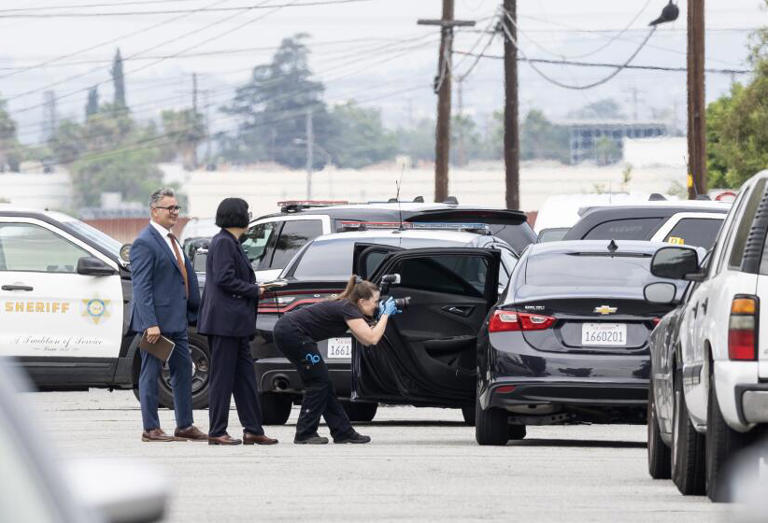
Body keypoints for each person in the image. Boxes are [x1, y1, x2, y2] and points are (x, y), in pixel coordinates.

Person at [273, 276, 401, 444]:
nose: (377, 305)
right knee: (318, 382)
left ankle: (342, 432)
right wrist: (385, 316)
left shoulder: (350, 308)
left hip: (287, 331)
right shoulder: (349, 308)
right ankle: (304, 433)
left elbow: (364, 338)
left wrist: (380, 317)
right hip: (293, 334)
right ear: (362, 301)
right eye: (376, 301)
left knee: (324, 383)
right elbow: (372, 339)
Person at [197, 198, 278, 446]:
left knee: (245, 378)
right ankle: (217, 431)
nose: (249, 215)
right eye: (246, 211)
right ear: (236, 215)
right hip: (224, 323)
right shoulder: (223, 242)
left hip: (238, 324)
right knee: (223, 379)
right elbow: (224, 279)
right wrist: (255, 290)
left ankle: (253, 429)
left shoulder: (232, 242)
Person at [130, 187, 207, 442]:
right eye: (170, 208)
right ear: (155, 211)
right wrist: (151, 323)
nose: (175, 212)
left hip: (177, 321)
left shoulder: (171, 239)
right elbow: (142, 287)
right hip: (157, 326)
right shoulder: (145, 242)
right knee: (150, 374)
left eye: (177, 208)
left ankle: (184, 425)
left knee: (184, 370)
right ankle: (150, 428)